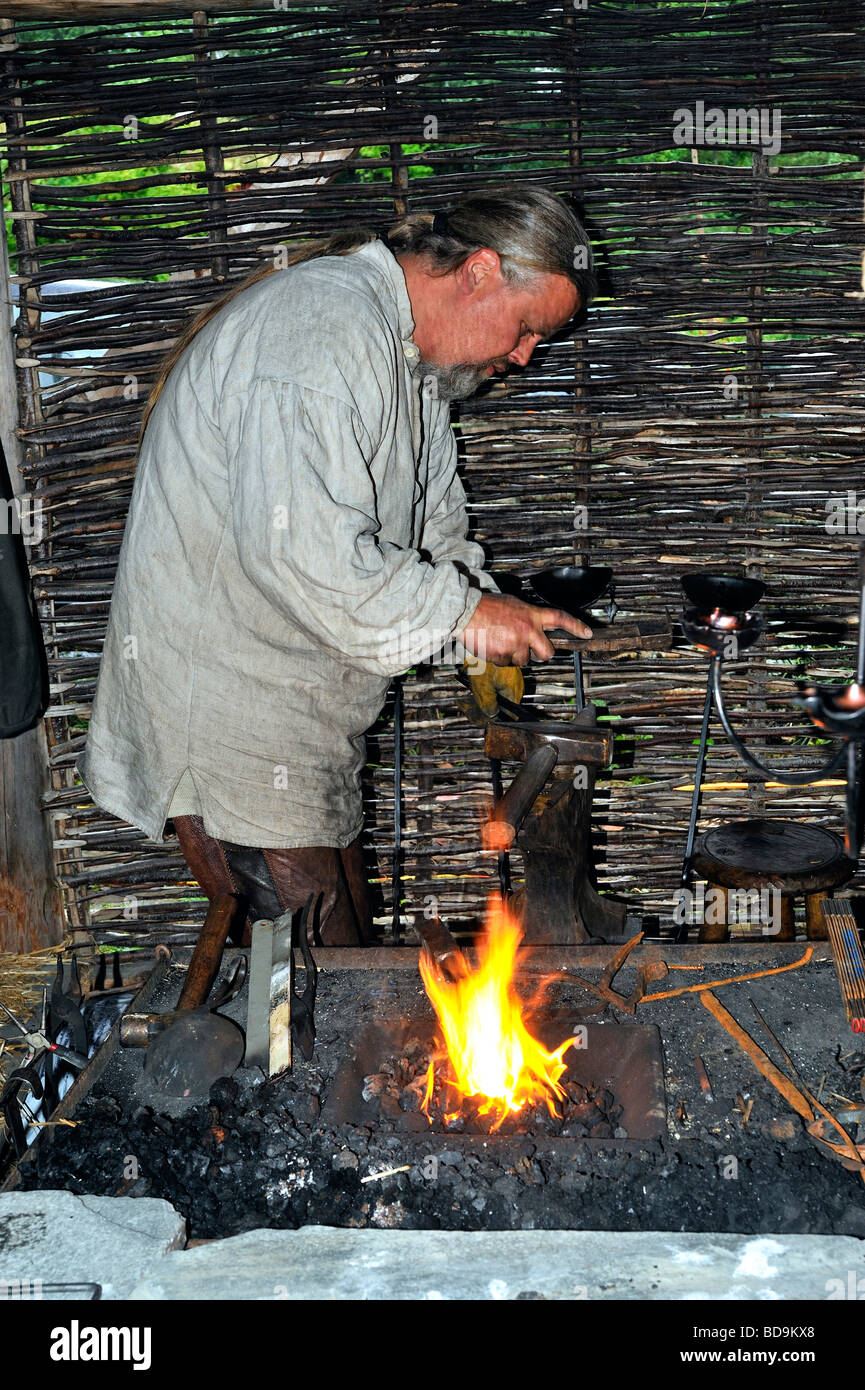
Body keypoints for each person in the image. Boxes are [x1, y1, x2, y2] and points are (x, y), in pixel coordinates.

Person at [77, 186, 595, 944]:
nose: (522, 357)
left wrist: (482, 615)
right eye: (525, 330)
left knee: (342, 966)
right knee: (308, 995)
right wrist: (464, 615)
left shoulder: (411, 364)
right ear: (479, 272)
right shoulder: (320, 330)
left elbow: (434, 526)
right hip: (232, 722)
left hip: (300, 724)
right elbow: (300, 554)